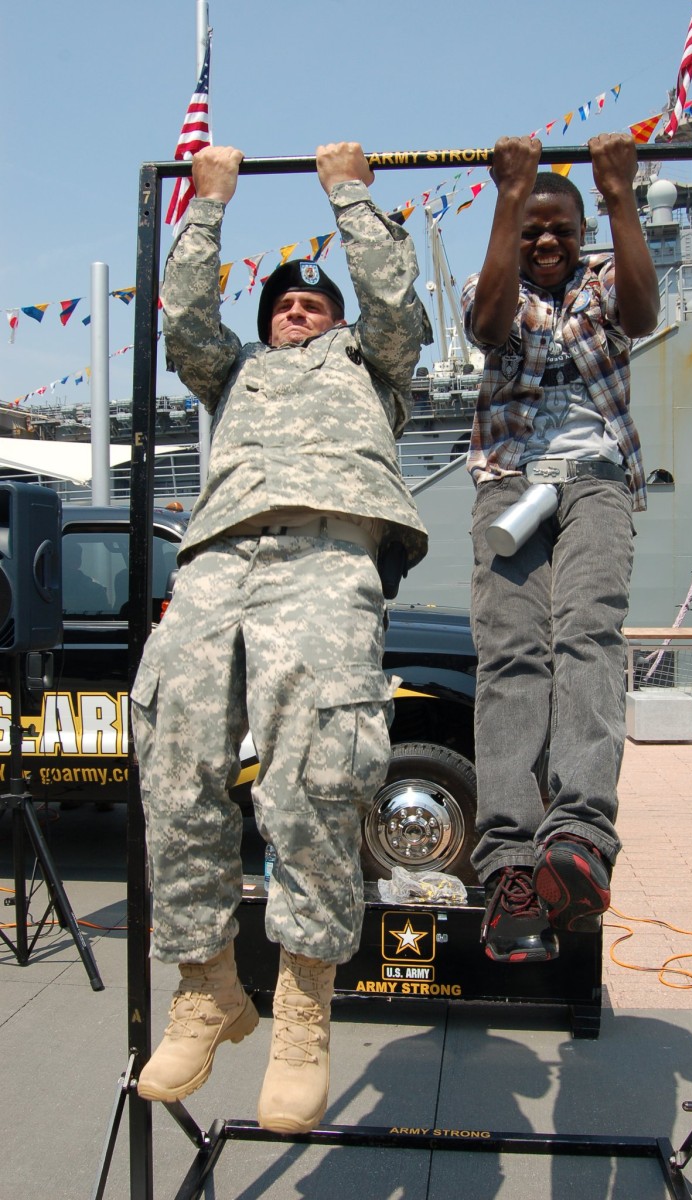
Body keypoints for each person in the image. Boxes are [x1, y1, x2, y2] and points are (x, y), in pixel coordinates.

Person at [130, 141, 430, 1132]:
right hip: (218, 557)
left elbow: (394, 301)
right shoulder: (235, 374)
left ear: (336, 318)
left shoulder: (371, 362)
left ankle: (305, 1001)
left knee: (313, 770)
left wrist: (347, 194)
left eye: (313, 303)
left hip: (325, 550)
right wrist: (205, 208)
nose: (296, 310)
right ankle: (207, 982)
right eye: (282, 305)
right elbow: (183, 321)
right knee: (172, 748)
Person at [461, 133, 659, 963]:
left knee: (588, 634)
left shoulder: (609, 281)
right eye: (534, 229)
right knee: (510, 655)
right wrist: (507, 200)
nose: (548, 243)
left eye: (561, 230)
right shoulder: (497, 279)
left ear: (584, 232)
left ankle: (578, 836)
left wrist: (620, 197)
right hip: (511, 479)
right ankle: (509, 861)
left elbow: (644, 317)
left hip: (597, 480)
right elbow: (487, 327)